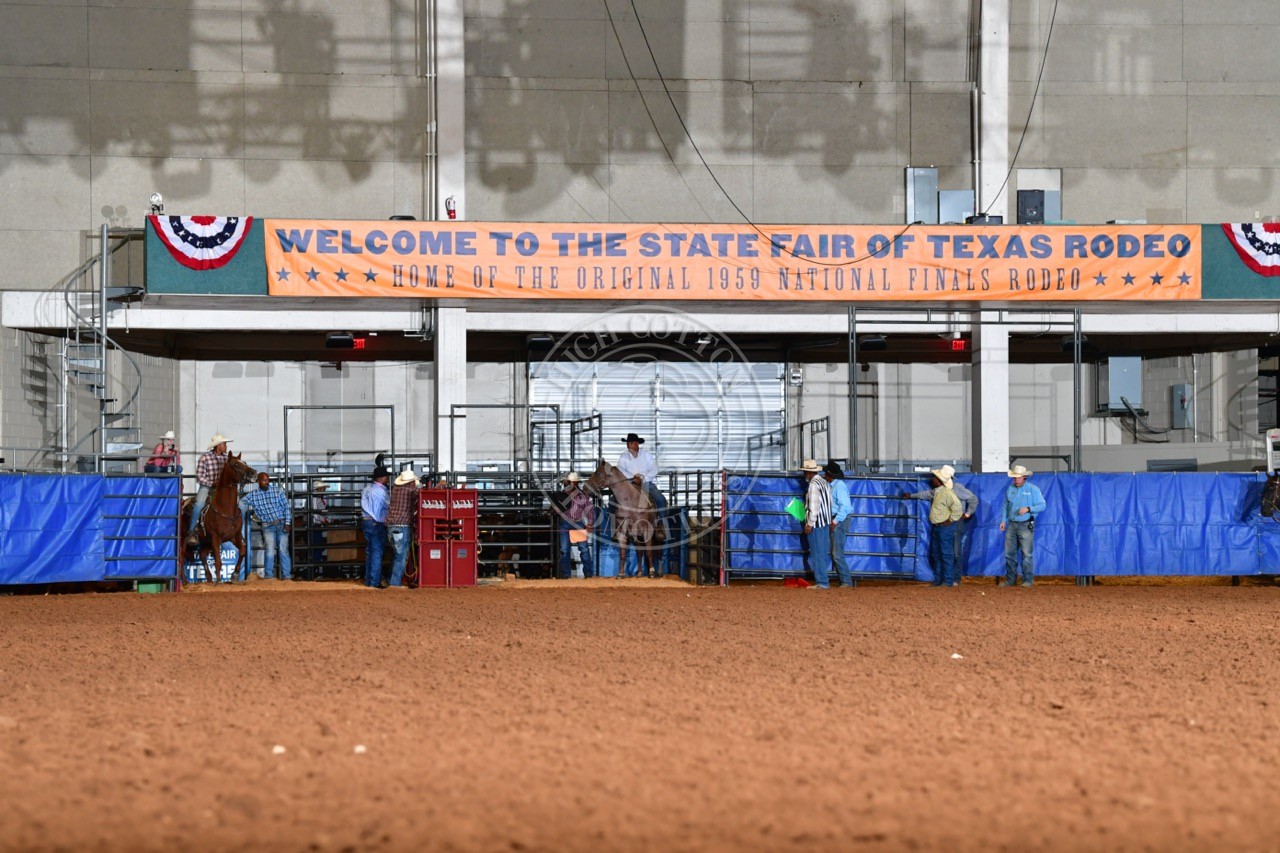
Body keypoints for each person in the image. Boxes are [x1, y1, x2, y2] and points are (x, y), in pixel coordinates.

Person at [901, 464, 978, 583]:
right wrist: (912, 495)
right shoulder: (939, 490)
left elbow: (972, 499)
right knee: (947, 551)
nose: (933, 479)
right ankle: (947, 579)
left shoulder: (956, 488)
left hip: (954, 521)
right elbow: (927, 494)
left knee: (954, 551)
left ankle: (954, 579)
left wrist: (966, 514)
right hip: (948, 522)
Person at [1000, 464, 1046, 587]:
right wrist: (1003, 520)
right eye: (1014, 478)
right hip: (1012, 524)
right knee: (1009, 554)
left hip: (1025, 524)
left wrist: (1028, 508)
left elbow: (1042, 505)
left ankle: (1027, 580)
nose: (1015, 480)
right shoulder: (1010, 488)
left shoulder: (1033, 489)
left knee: (1026, 554)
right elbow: (1005, 506)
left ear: (1024, 477)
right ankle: (1011, 580)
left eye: (1018, 478)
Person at [241, 471, 292, 581]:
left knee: (283, 550)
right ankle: (269, 575)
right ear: (258, 481)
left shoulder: (277, 490)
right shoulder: (253, 495)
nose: (267, 482)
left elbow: (286, 507)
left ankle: (286, 576)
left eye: (267, 480)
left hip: (282, 523)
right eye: (264, 480)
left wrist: (288, 522)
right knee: (270, 550)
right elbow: (241, 503)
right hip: (268, 526)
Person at [186, 433, 231, 546]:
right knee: (199, 504)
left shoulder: (227, 459)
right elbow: (200, 476)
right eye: (224, 444)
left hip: (223, 489)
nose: (226, 446)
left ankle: (236, 531)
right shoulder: (205, 457)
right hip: (207, 487)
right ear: (218, 446)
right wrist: (212, 483)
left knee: (237, 504)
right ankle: (192, 532)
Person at [925, 466, 964, 587]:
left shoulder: (947, 493)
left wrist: (950, 520)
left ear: (939, 480)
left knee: (945, 554)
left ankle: (946, 581)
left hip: (944, 527)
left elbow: (958, 508)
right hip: (938, 526)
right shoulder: (938, 492)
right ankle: (940, 580)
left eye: (935, 478)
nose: (933, 479)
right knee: (937, 554)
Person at [552, 472, 595, 579]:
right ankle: (568, 575)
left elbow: (589, 509)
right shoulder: (562, 495)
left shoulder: (580, 496)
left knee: (580, 550)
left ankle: (587, 574)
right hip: (572, 523)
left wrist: (590, 522)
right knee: (566, 550)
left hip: (574, 523)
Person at [800, 459, 833, 589]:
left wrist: (809, 524)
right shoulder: (824, 482)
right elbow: (829, 503)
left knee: (817, 553)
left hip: (817, 524)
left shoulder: (813, 485)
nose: (804, 474)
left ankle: (822, 582)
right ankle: (823, 580)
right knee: (823, 553)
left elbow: (814, 506)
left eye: (804, 472)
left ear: (808, 472)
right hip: (825, 521)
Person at [385, 469, 420, 588]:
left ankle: (391, 580)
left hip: (391, 525)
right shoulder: (411, 490)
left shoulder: (396, 489)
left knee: (397, 554)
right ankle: (394, 583)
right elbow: (422, 493)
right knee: (401, 555)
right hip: (402, 527)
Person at [823, 461, 855, 588]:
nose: (824, 475)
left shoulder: (839, 486)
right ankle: (844, 580)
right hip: (838, 519)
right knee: (836, 552)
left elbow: (846, 507)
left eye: (825, 473)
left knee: (836, 553)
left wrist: (835, 521)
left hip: (839, 519)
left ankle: (846, 581)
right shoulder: (835, 485)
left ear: (829, 474)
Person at [617, 433, 666, 509]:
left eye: (631, 443)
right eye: (628, 443)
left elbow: (655, 469)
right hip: (630, 484)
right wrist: (633, 477)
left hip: (646, 483)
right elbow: (620, 470)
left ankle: (662, 519)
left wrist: (643, 479)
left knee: (660, 499)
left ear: (637, 444)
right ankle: (612, 520)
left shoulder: (646, 455)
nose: (628, 445)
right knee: (613, 500)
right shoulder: (624, 456)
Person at [360, 466, 391, 588]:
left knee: (370, 552)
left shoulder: (367, 489)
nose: (387, 479)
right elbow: (389, 507)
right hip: (376, 522)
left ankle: (369, 580)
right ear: (382, 478)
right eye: (386, 477)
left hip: (367, 521)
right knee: (377, 552)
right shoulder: (382, 492)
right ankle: (374, 582)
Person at [309, 480, 330, 564]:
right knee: (317, 546)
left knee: (318, 545)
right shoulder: (314, 497)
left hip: (317, 524)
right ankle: (315, 565)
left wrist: (326, 519)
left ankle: (315, 565)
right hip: (314, 524)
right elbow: (314, 513)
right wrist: (324, 520)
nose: (324, 489)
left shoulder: (319, 497)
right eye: (323, 487)